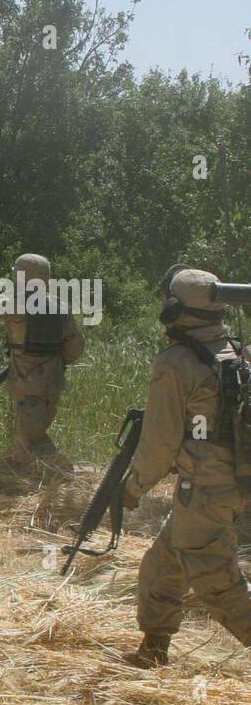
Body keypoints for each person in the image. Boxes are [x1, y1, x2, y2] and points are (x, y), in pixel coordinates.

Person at [120, 266, 251, 668]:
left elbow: (159, 444)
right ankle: (153, 650)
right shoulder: (237, 353)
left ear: (174, 308)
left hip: (207, 491)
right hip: (228, 483)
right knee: (163, 565)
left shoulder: (176, 362)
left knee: (216, 583)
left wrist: (131, 487)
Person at [0, 253, 85, 467]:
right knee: (30, 433)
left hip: (27, 380)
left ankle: (61, 473)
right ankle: (24, 475)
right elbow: (76, 347)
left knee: (33, 438)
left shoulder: (15, 304)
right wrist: (54, 364)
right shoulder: (61, 307)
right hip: (53, 381)